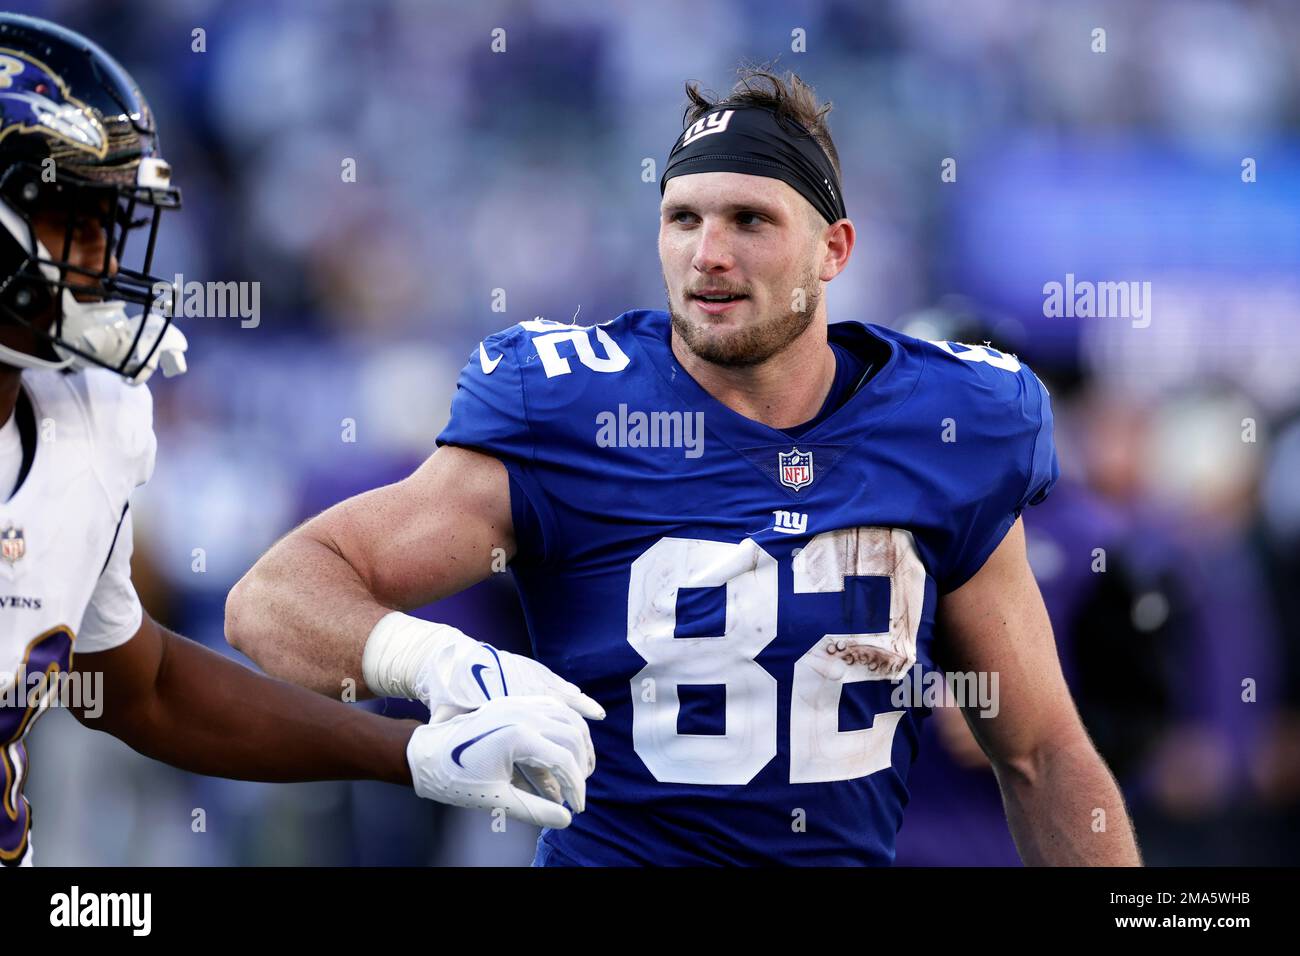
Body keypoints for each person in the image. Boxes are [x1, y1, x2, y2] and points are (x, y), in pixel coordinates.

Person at [227, 68, 1141, 866]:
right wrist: (439, 664)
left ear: (835, 250)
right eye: (683, 218)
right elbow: (272, 598)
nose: (709, 254)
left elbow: (1041, 753)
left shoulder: (951, 425)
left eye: (750, 219)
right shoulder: (574, 412)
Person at [0, 13, 596, 867]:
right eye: (69, 218)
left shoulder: (85, 422)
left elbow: (148, 690)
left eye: (108, 221)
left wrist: (411, 755)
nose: (99, 257)